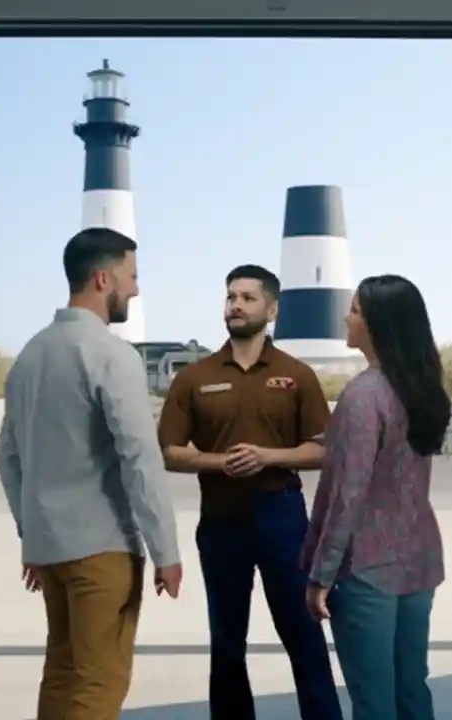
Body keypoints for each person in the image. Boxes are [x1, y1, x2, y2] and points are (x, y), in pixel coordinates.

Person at [0, 227, 183, 720]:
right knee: (98, 684)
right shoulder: (110, 354)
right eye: (132, 276)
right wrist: (166, 550)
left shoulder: (29, 356)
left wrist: (32, 534)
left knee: (61, 674)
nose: (137, 289)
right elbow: (140, 457)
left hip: (49, 553)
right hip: (102, 551)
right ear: (103, 278)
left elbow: (8, 458)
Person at [157, 264, 343, 720]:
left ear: (272, 309)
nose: (236, 305)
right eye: (230, 297)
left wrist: (269, 457)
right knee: (226, 641)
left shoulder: (295, 375)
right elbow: (168, 452)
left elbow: (326, 451)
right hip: (221, 521)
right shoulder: (194, 377)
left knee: (303, 632)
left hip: (282, 516)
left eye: (247, 298)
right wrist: (219, 462)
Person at [300, 274, 451, 720]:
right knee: (411, 689)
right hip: (418, 560)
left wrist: (321, 575)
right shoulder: (421, 388)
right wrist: (337, 440)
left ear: (378, 323)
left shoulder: (363, 395)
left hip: (367, 569)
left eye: (355, 311)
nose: (346, 318)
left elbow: (349, 496)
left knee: (372, 702)